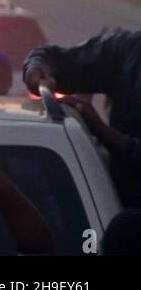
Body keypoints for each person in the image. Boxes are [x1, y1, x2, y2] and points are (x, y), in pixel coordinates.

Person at [25, 29, 141, 205]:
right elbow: (52, 58)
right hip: (117, 201)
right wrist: (37, 69)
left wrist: (109, 135)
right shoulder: (128, 51)